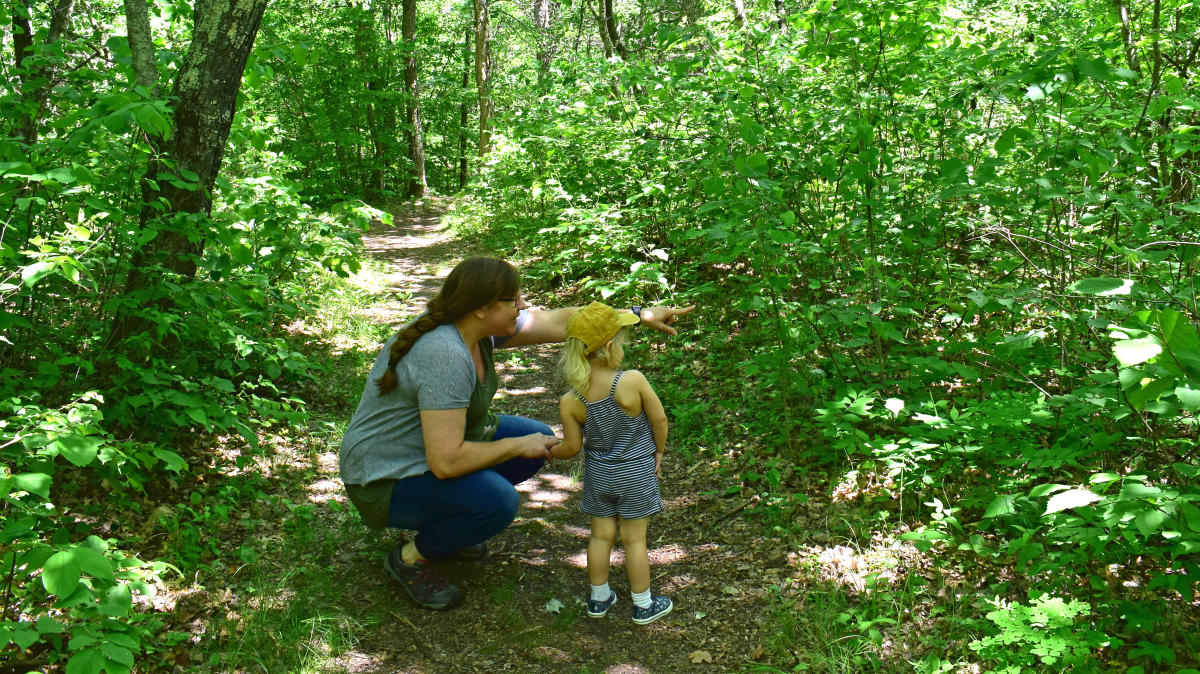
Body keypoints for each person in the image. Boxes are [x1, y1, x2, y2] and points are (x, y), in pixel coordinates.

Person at [338, 257, 693, 611]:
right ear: (481, 308)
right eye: (514, 300)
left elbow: (560, 321)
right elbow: (445, 462)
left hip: (427, 452)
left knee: (535, 434)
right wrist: (516, 446)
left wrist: (636, 314)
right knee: (499, 500)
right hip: (385, 479)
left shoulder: (476, 330)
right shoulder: (444, 354)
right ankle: (411, 557)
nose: (524, 306)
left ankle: (454, 526)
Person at [553, 302, 673, 625]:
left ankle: (599, 597)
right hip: (635, 472)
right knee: (634, 539)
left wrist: (546, 449)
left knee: (600, 537)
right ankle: (644, 604)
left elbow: (573, 447)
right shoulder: (631, 381)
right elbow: (659, 419)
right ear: (608, 348)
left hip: (599, 475)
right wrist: (658, 452)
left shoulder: (571, 401)